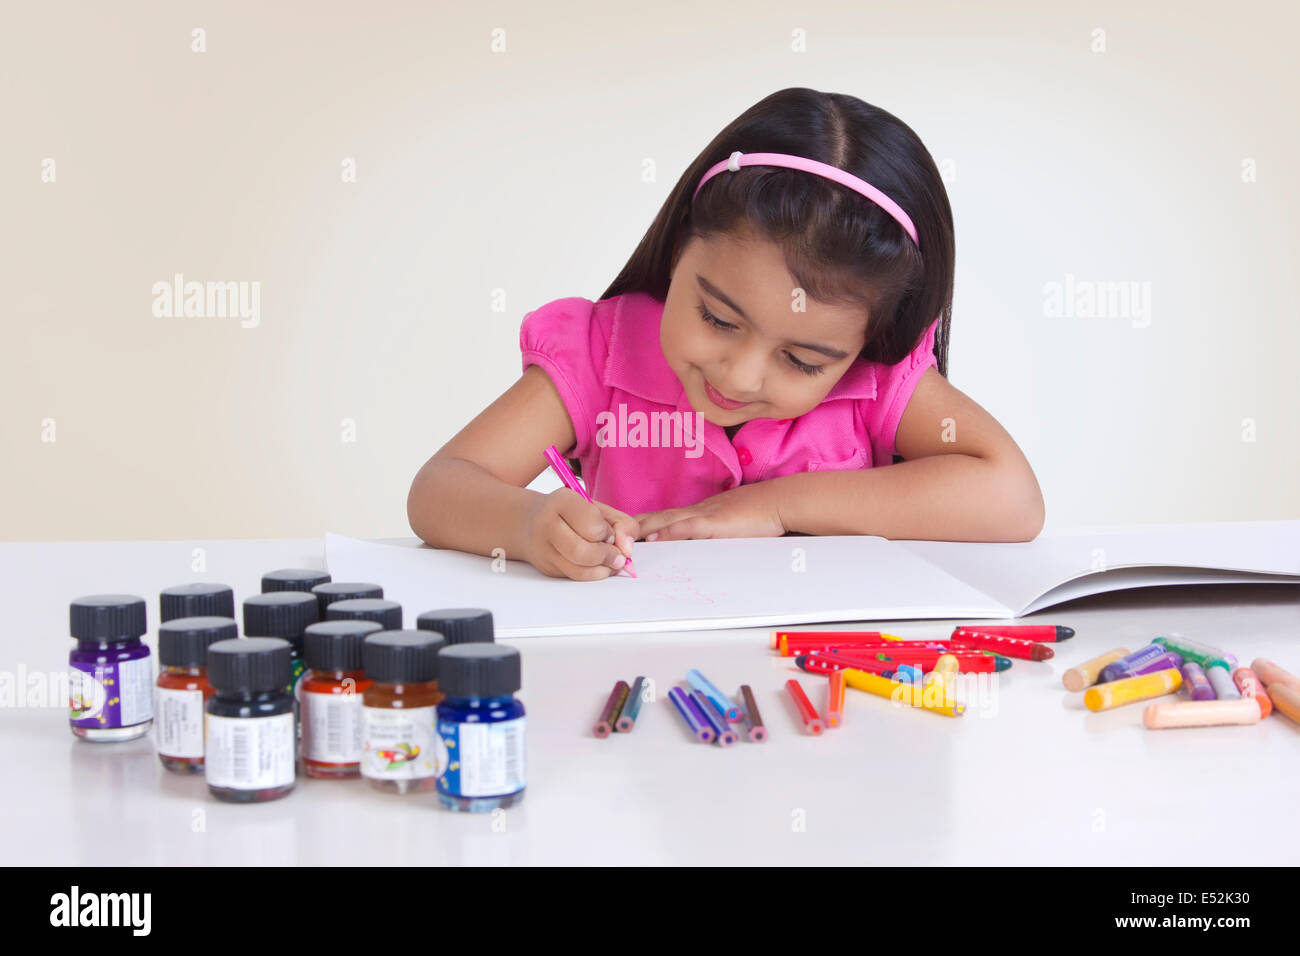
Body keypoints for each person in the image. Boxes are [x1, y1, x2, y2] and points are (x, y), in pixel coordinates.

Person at [408, 88, 1044, 580]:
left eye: (801, 360)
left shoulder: (874, 378)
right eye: (717, 319)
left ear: (867, 340)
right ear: (682, 243)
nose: (738, 376)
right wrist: (527, 526)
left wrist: (773, 506)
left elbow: (1013, 499)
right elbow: (440, 488)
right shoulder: (599, 351)